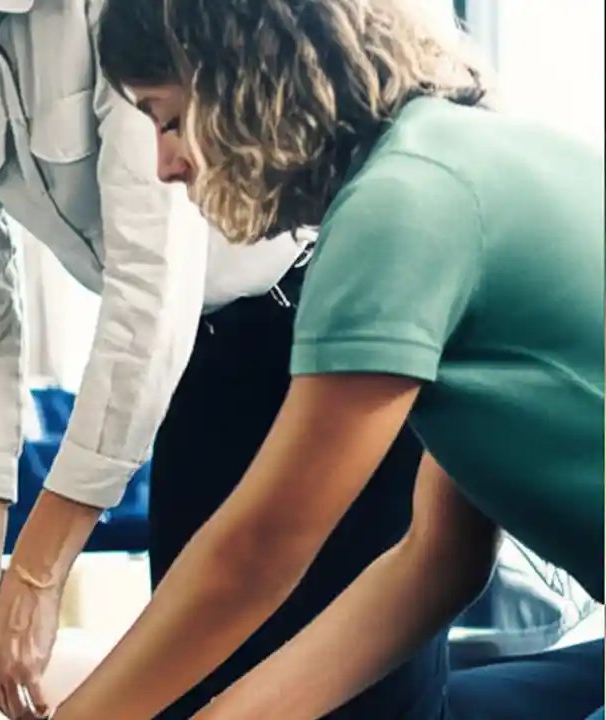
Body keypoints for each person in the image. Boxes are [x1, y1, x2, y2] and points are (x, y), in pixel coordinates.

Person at [0, 2, 476, 719]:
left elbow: (151, 286)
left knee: (360, 694)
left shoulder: (118, 16)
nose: (171, 162)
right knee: (192, 678)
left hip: (319, 313)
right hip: (199, 357)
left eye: (164, 123)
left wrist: (37, 578)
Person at [42, 0, 605, 718]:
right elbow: (434, 561)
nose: (164, 165)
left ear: (244, 78)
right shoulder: (459, 157)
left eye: (170, 118)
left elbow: (256, 556)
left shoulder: (400, 206)